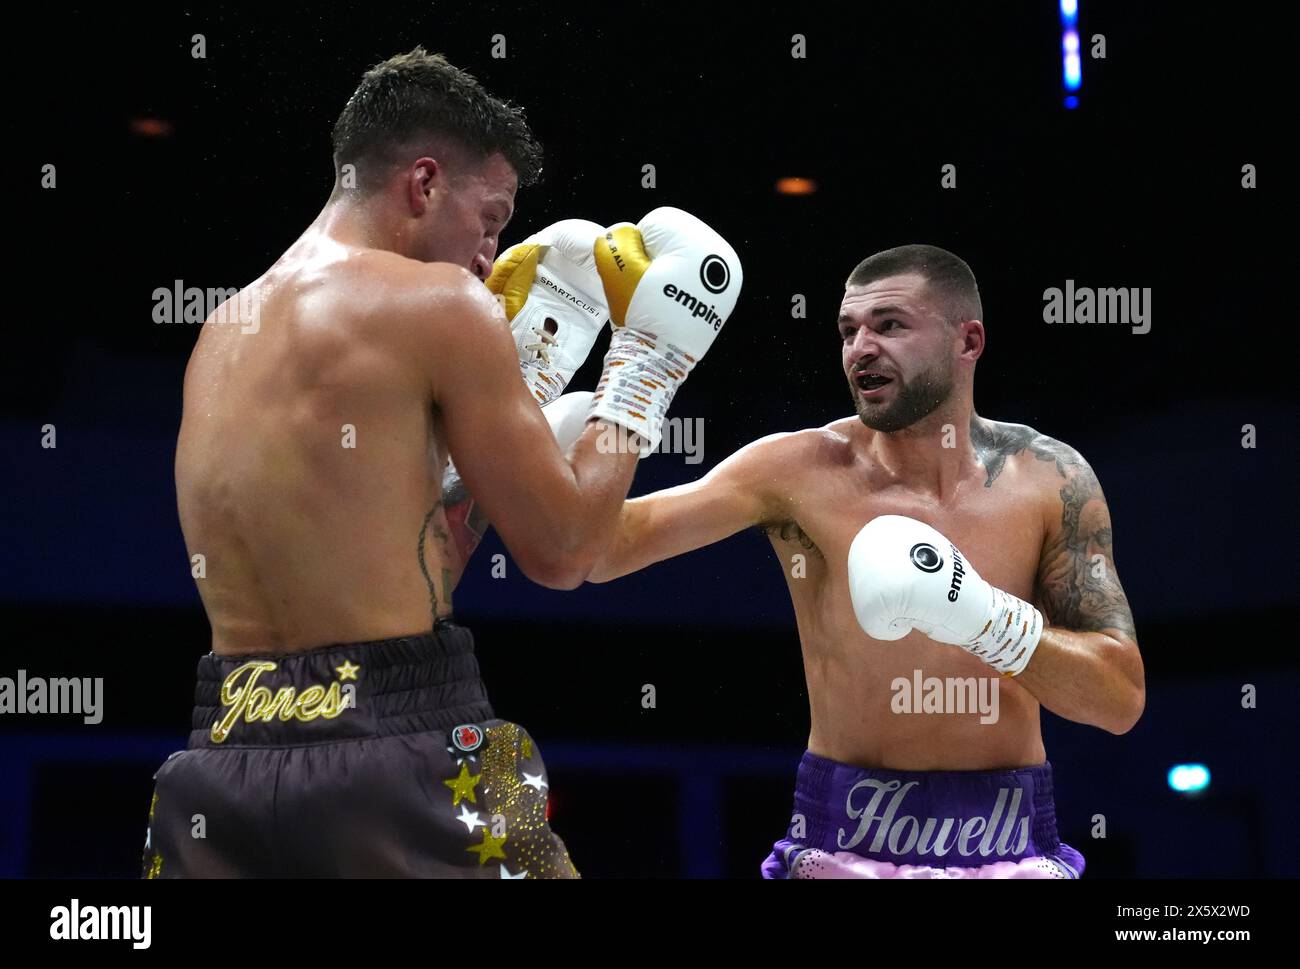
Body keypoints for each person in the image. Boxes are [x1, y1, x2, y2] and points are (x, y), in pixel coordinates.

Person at [141, 47, 742, 878]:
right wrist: (648, 362)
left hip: (220, 763)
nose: (491, 258)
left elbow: (404, 557)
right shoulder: (439, 305)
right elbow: (565, 552)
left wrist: (509, 405)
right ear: (423, 185)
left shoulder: (222, 333)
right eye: (490, 220)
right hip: (406, 749)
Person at [587, 244, 1143, 878]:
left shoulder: (1050, 478)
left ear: (969, 342)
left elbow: (1119, 699)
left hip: (1013, 849)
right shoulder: (796, 470)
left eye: (890, 325)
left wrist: (983, 619)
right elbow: (598, 552)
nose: (860, 349)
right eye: (848, 331)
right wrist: (635, 383)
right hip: (845, 846)